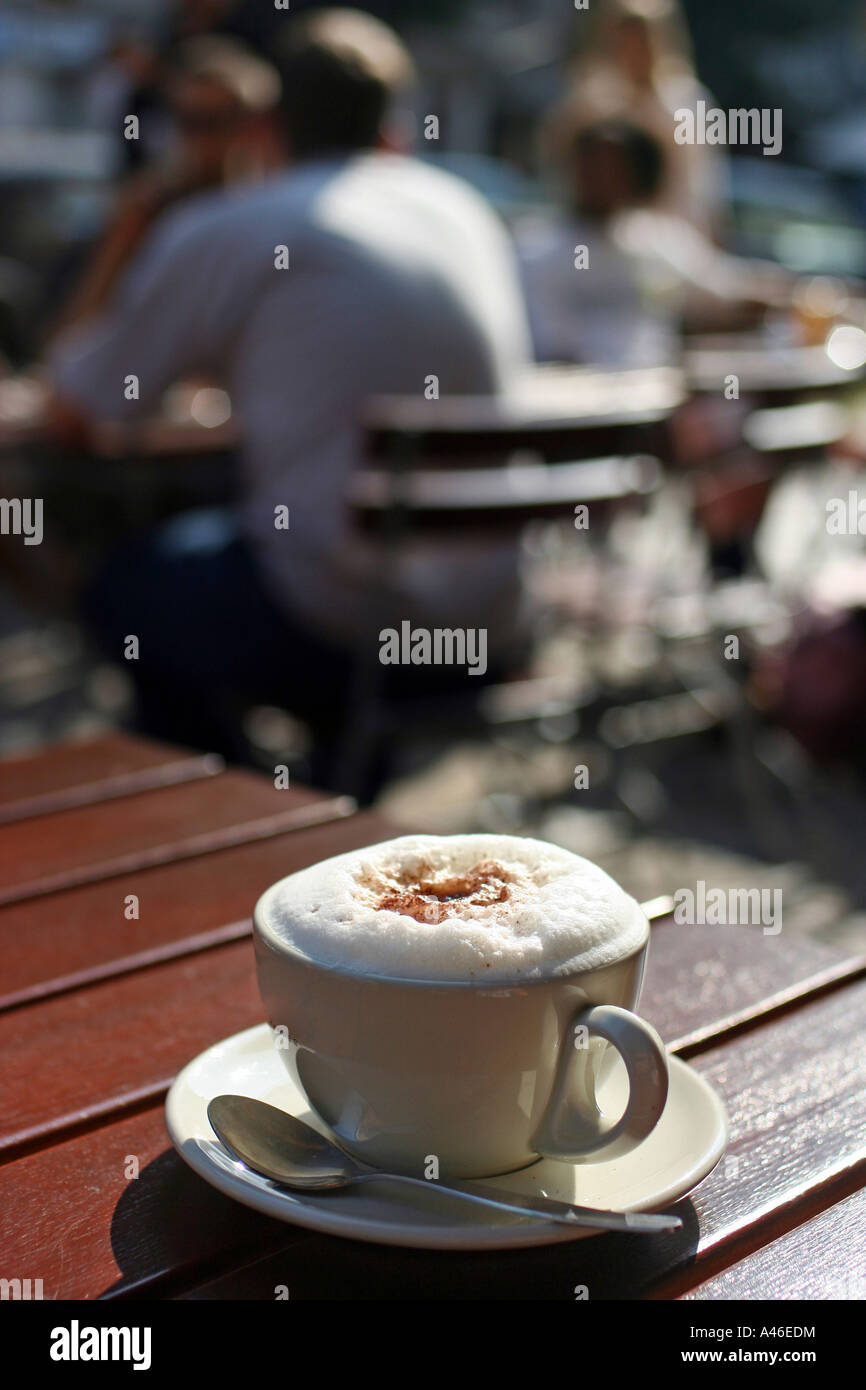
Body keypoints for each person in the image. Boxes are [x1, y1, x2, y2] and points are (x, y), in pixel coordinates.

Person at [47, 10, 534, 782]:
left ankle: (246, 809)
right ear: (391, 120)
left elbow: (75, 404)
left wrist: (127, 224)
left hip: (338, 631)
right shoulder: (462, 209)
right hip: (494, 624)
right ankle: (328, 785)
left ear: (267, 125)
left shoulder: (239, 224)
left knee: (126, 586)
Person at [517, 117, 790, 369]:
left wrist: (798, 296)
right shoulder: (539, 249)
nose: (603, 177)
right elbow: (550, 347)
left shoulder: (655, 239)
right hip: (578, 409)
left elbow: (723, 287)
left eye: (615, 167)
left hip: (659, 396)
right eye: (593, 165)